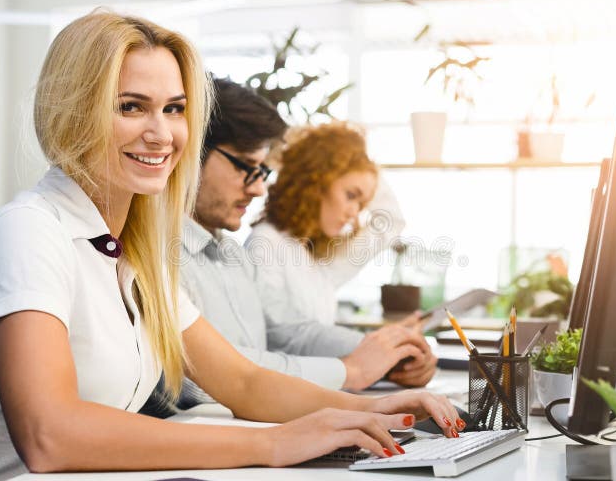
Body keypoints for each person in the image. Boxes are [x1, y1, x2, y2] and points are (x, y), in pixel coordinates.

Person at [0, 11, 463, 480]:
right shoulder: (29, 232)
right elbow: (49, 434)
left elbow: (241, 381)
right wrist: (274, 443)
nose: (162, 134)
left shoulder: (134, 251)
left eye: (174, 109)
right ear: (74, 112)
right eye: (131, 106)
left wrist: (371, 407)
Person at [176, 78, 436, 403]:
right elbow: (217, 382)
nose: (258, 189)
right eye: (247, 167)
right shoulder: (243, 248)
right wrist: (351, 370)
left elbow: (289, 332)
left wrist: (385, 352)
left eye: (263, 172)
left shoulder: (232, 253)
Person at [246, 123, 425, 388]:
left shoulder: (315, 255)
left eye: (362, 204)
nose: (354, 213)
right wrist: (383, 346)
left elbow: (390, 222)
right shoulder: (265, 243)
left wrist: (389, 343)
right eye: (351, 195)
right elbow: (285, 335)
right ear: (316, 181)